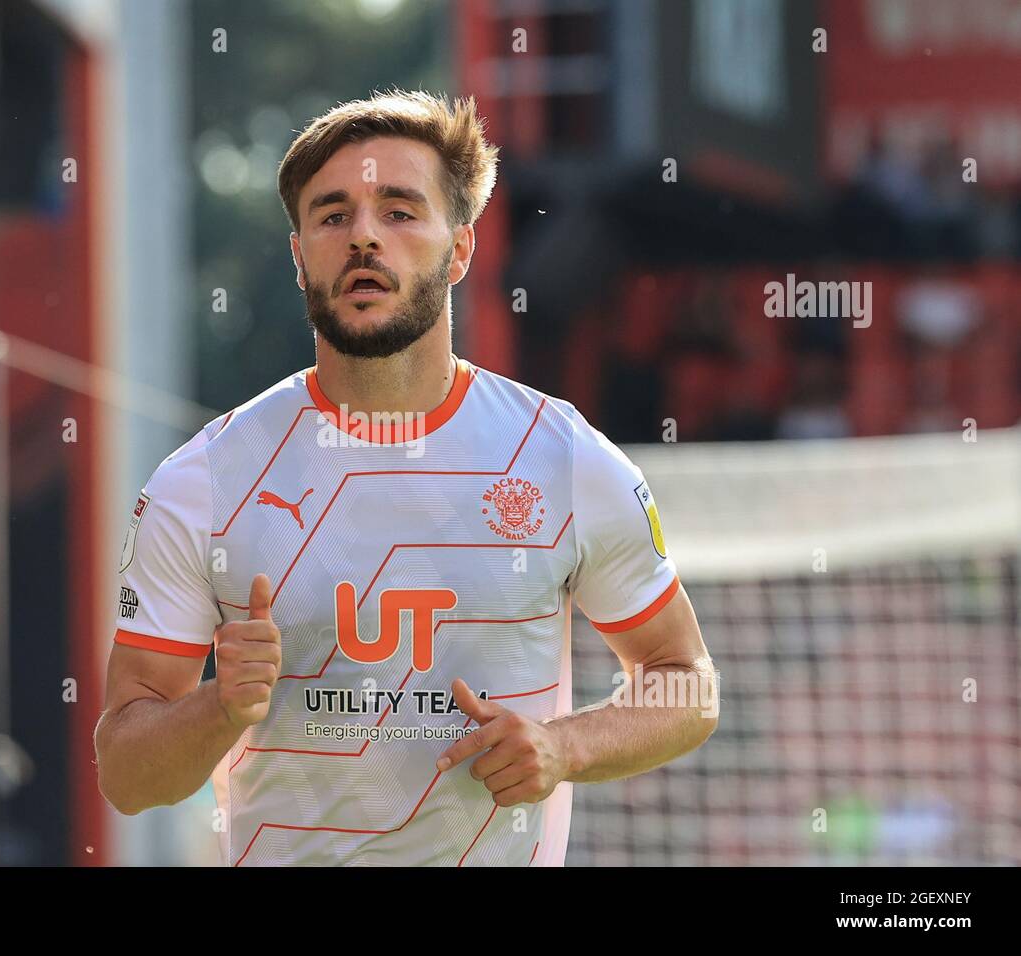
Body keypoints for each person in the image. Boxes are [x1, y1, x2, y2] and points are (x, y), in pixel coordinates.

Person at [94, 89, 717, 866]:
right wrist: (221, 706)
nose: (362, 237)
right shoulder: (205, 481)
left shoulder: (561, 456)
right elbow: (124, 772)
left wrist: (564, 749)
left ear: (459, 250)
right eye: (332, 215)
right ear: (299, 256)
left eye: (398, 211)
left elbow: (685, 684)